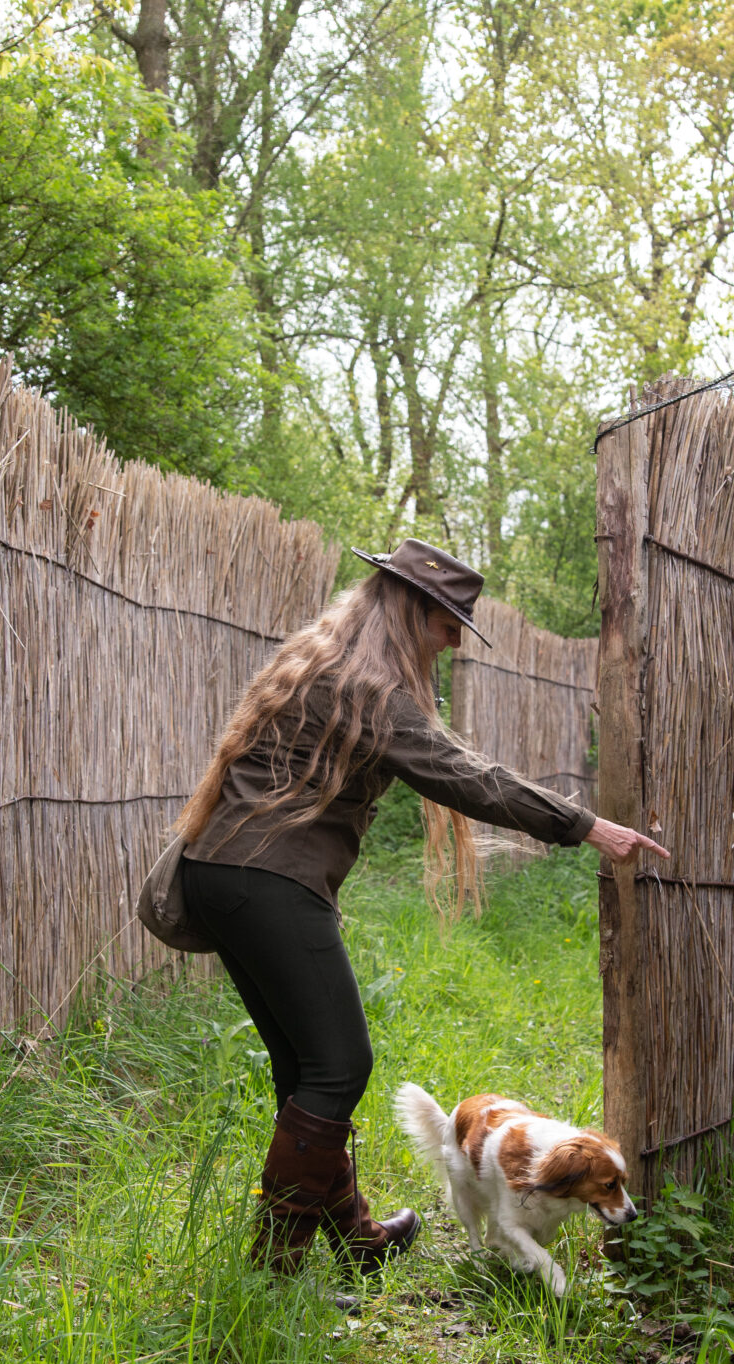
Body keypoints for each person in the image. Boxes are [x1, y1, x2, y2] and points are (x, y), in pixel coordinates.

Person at [176, 538, 668, 1280]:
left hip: (220, 873)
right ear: (411, 612)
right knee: (340, 1068)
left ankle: (357, 1240)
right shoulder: (368, 686)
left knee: (306, 1070)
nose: (448, 642)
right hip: (268, 881)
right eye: (445, 624)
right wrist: (585, 825)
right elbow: (462, 775)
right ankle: (272, 1275)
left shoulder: (320, 661)